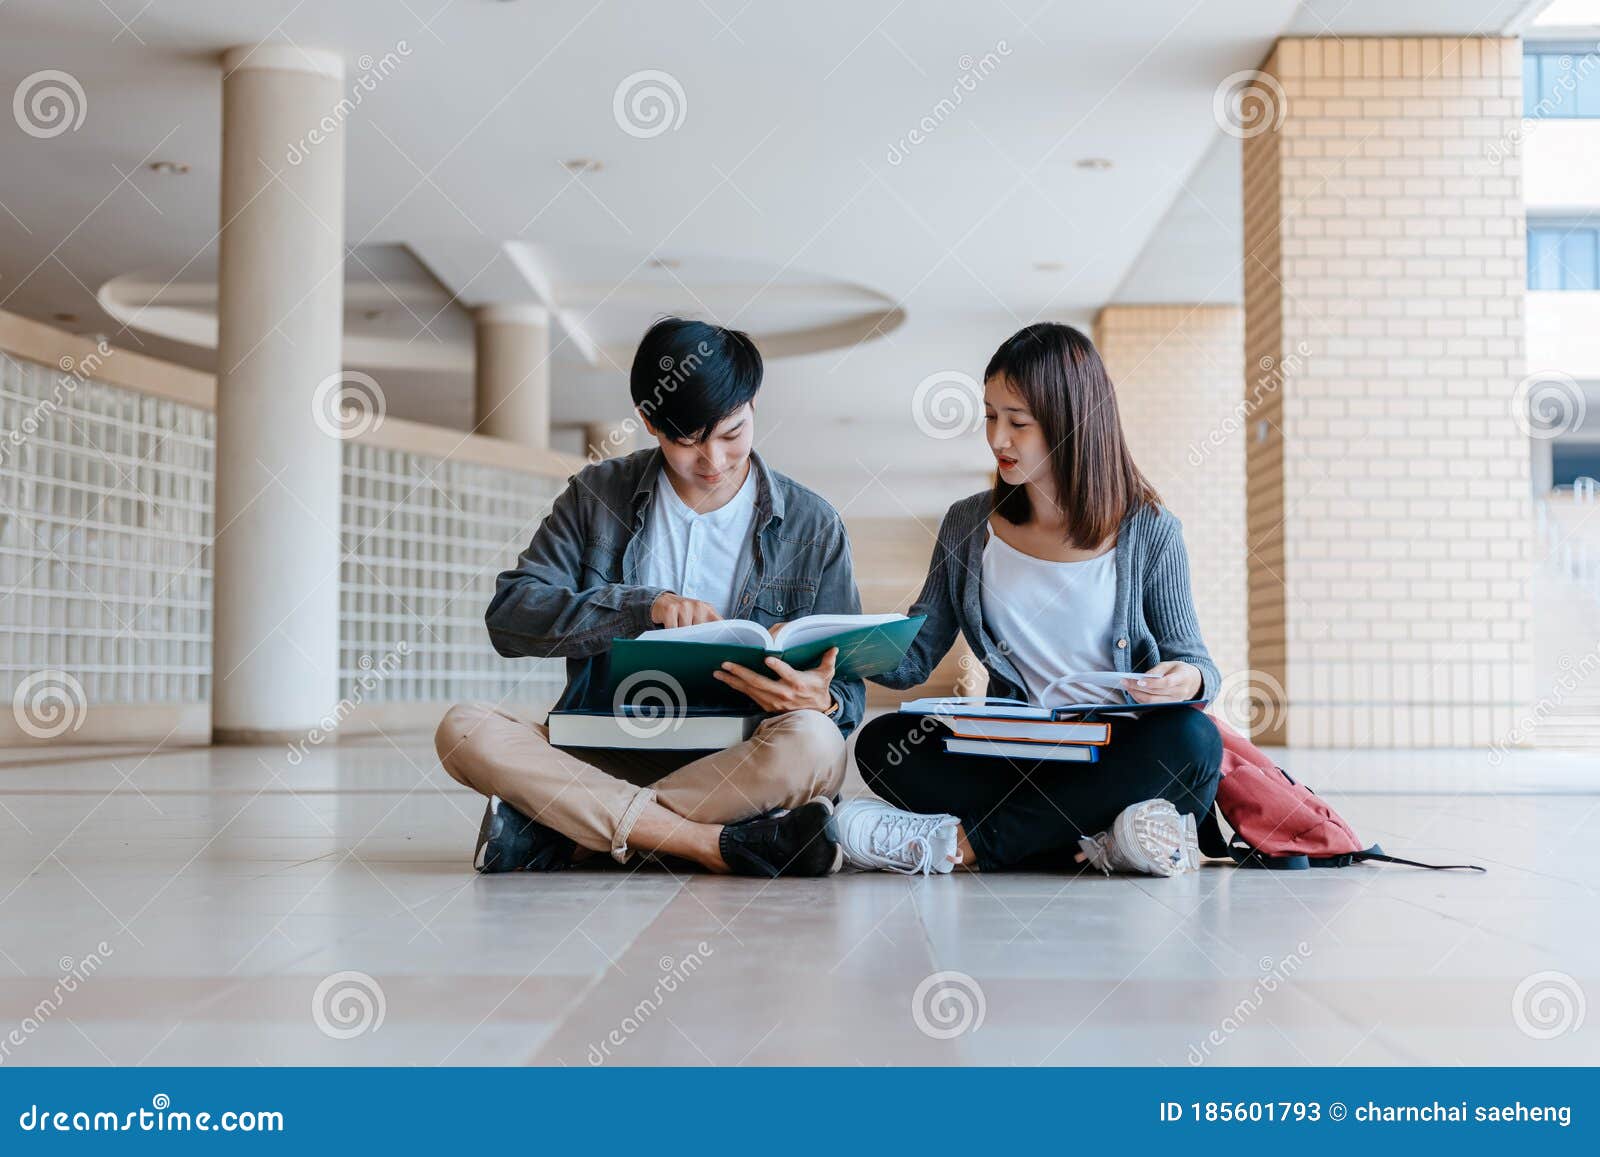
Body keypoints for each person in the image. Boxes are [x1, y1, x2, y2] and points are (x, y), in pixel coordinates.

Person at [435, 318, 864, 878]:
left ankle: (565, 834)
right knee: (463, 728)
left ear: (753, 406)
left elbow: (848, 687)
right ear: (648, 421)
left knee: (816, 744)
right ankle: (712, 844)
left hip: (743, 756)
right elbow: (511, 617)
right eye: (687, 442)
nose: (712, 460)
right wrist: (642, 607)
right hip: (605, 751)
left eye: (732, 434)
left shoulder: (813, 524)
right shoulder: (596, 497)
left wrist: (823, 702)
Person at [834, 322, 1223, 877]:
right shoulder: (968, 525)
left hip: (1113, 752)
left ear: (1073, 425)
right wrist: (836, 648)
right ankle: (1100, 839)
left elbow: (1198, 662)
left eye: (1018, 422)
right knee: (883, 742)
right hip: (1016, 754)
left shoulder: (1149, 530)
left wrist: (1183, 679)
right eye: (990, 416)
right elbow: (915, 655)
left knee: (1193, 740)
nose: (997, 440)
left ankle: (962, 845)